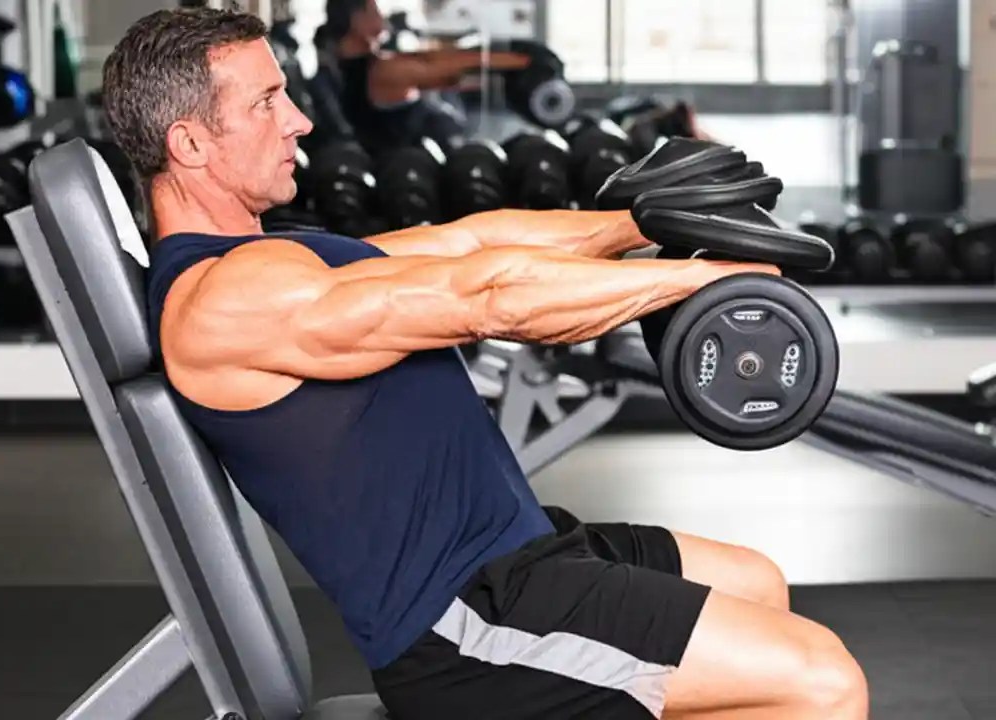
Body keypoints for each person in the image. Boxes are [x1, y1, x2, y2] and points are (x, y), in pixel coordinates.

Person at [101, 8, 868, 719]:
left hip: (521, 554)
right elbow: (489, 296)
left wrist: (636, 222)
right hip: (466, 626)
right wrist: (704, 283)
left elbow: (471, 242)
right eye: (267, 102)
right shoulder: (225, 303)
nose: (299, 120)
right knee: (822, 682)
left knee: (757, 585)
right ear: (190, 143)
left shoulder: (274, 257)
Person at [314, 0, 528, 154]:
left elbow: (428, 58)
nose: (381, 16)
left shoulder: (361, 64)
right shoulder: (381, 71)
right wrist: (521, 61)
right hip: (401, 169)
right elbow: (442, 71)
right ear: (356, 20)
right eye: (375, 9)